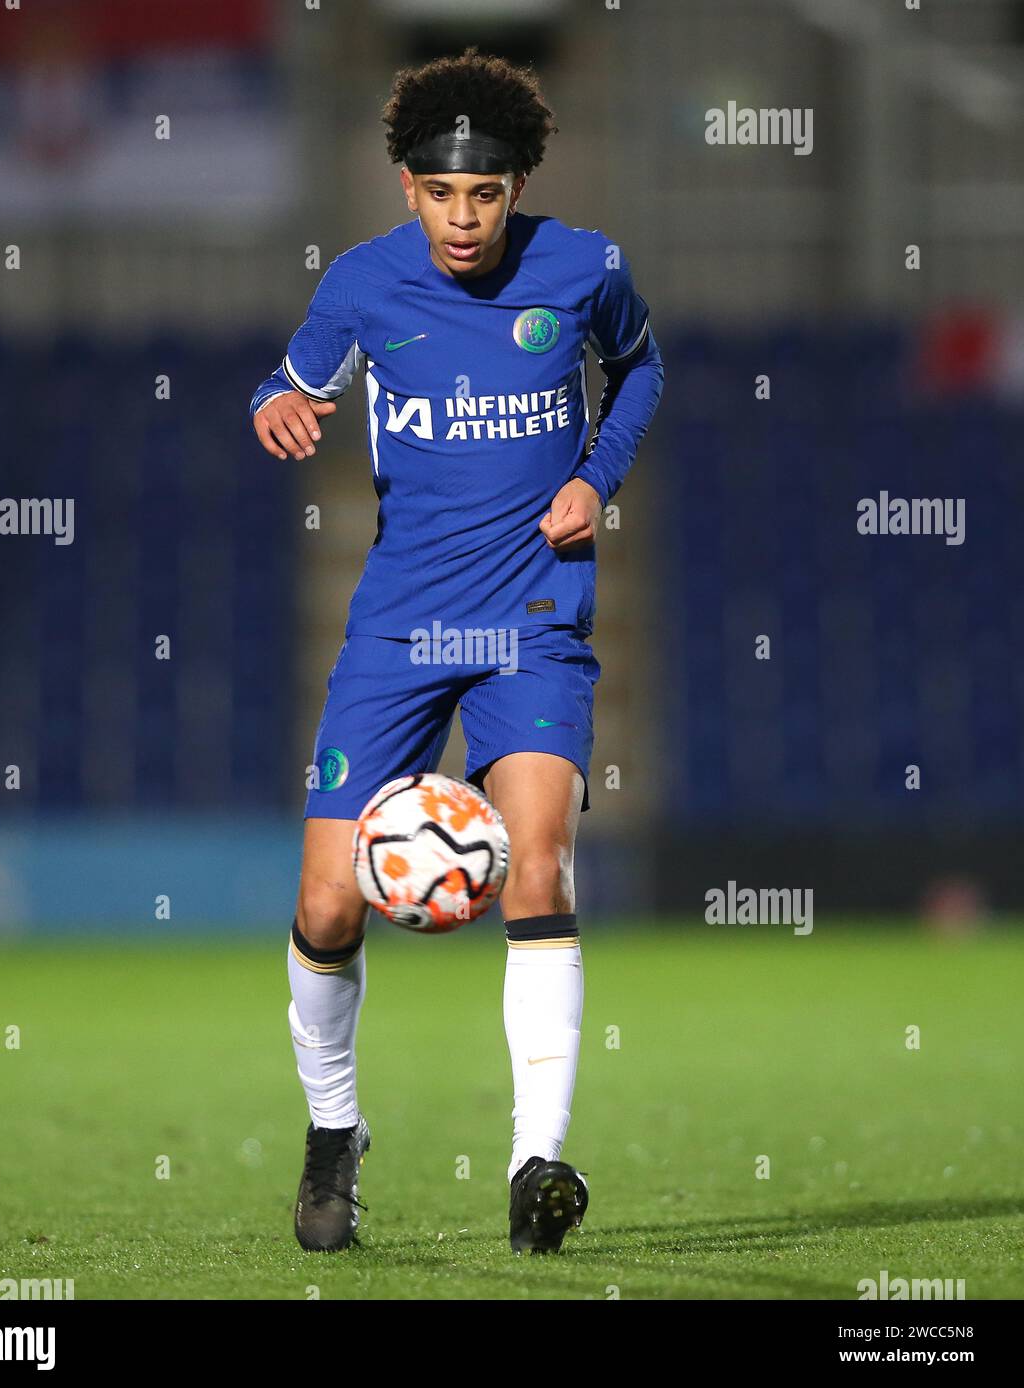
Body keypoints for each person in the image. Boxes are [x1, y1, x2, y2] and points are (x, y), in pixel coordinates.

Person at [249, 46, 664, 1255]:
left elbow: (640, 369)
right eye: (440, 193)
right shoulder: (362, 285)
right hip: (401, 623)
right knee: (326, 899)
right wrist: (275, 404)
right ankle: (335, 1131)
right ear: (407, 187)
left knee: (538, 870)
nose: (463, 216)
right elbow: (284, 382)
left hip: (533, 616)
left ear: (517, 186)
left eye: (484, 193)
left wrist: (596, 476)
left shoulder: (585, 268)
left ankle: (537, 1162)